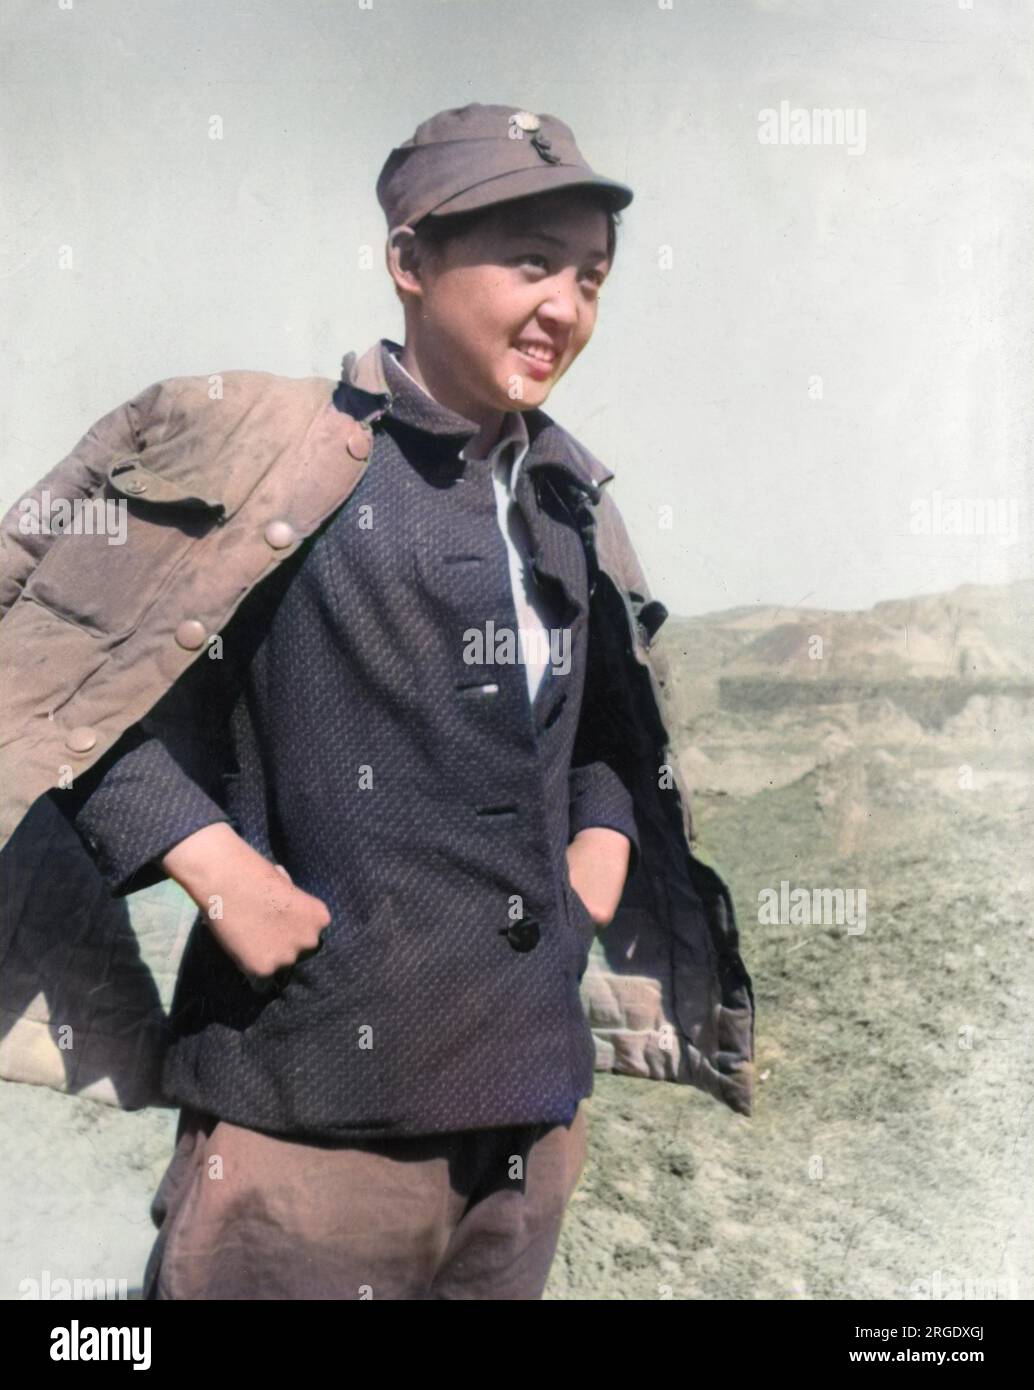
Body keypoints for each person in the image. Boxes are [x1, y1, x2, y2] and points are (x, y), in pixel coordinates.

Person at [41, 102, 655, 1300]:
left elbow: (606, 749)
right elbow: (59, 679)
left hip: (527, 1135)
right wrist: (217, 868)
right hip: (305, 1136)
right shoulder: (277, 463)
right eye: (529, 263)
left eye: (588, 276)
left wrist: (587, 879)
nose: (565, 309)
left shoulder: (567, 503)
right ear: (408, 262)